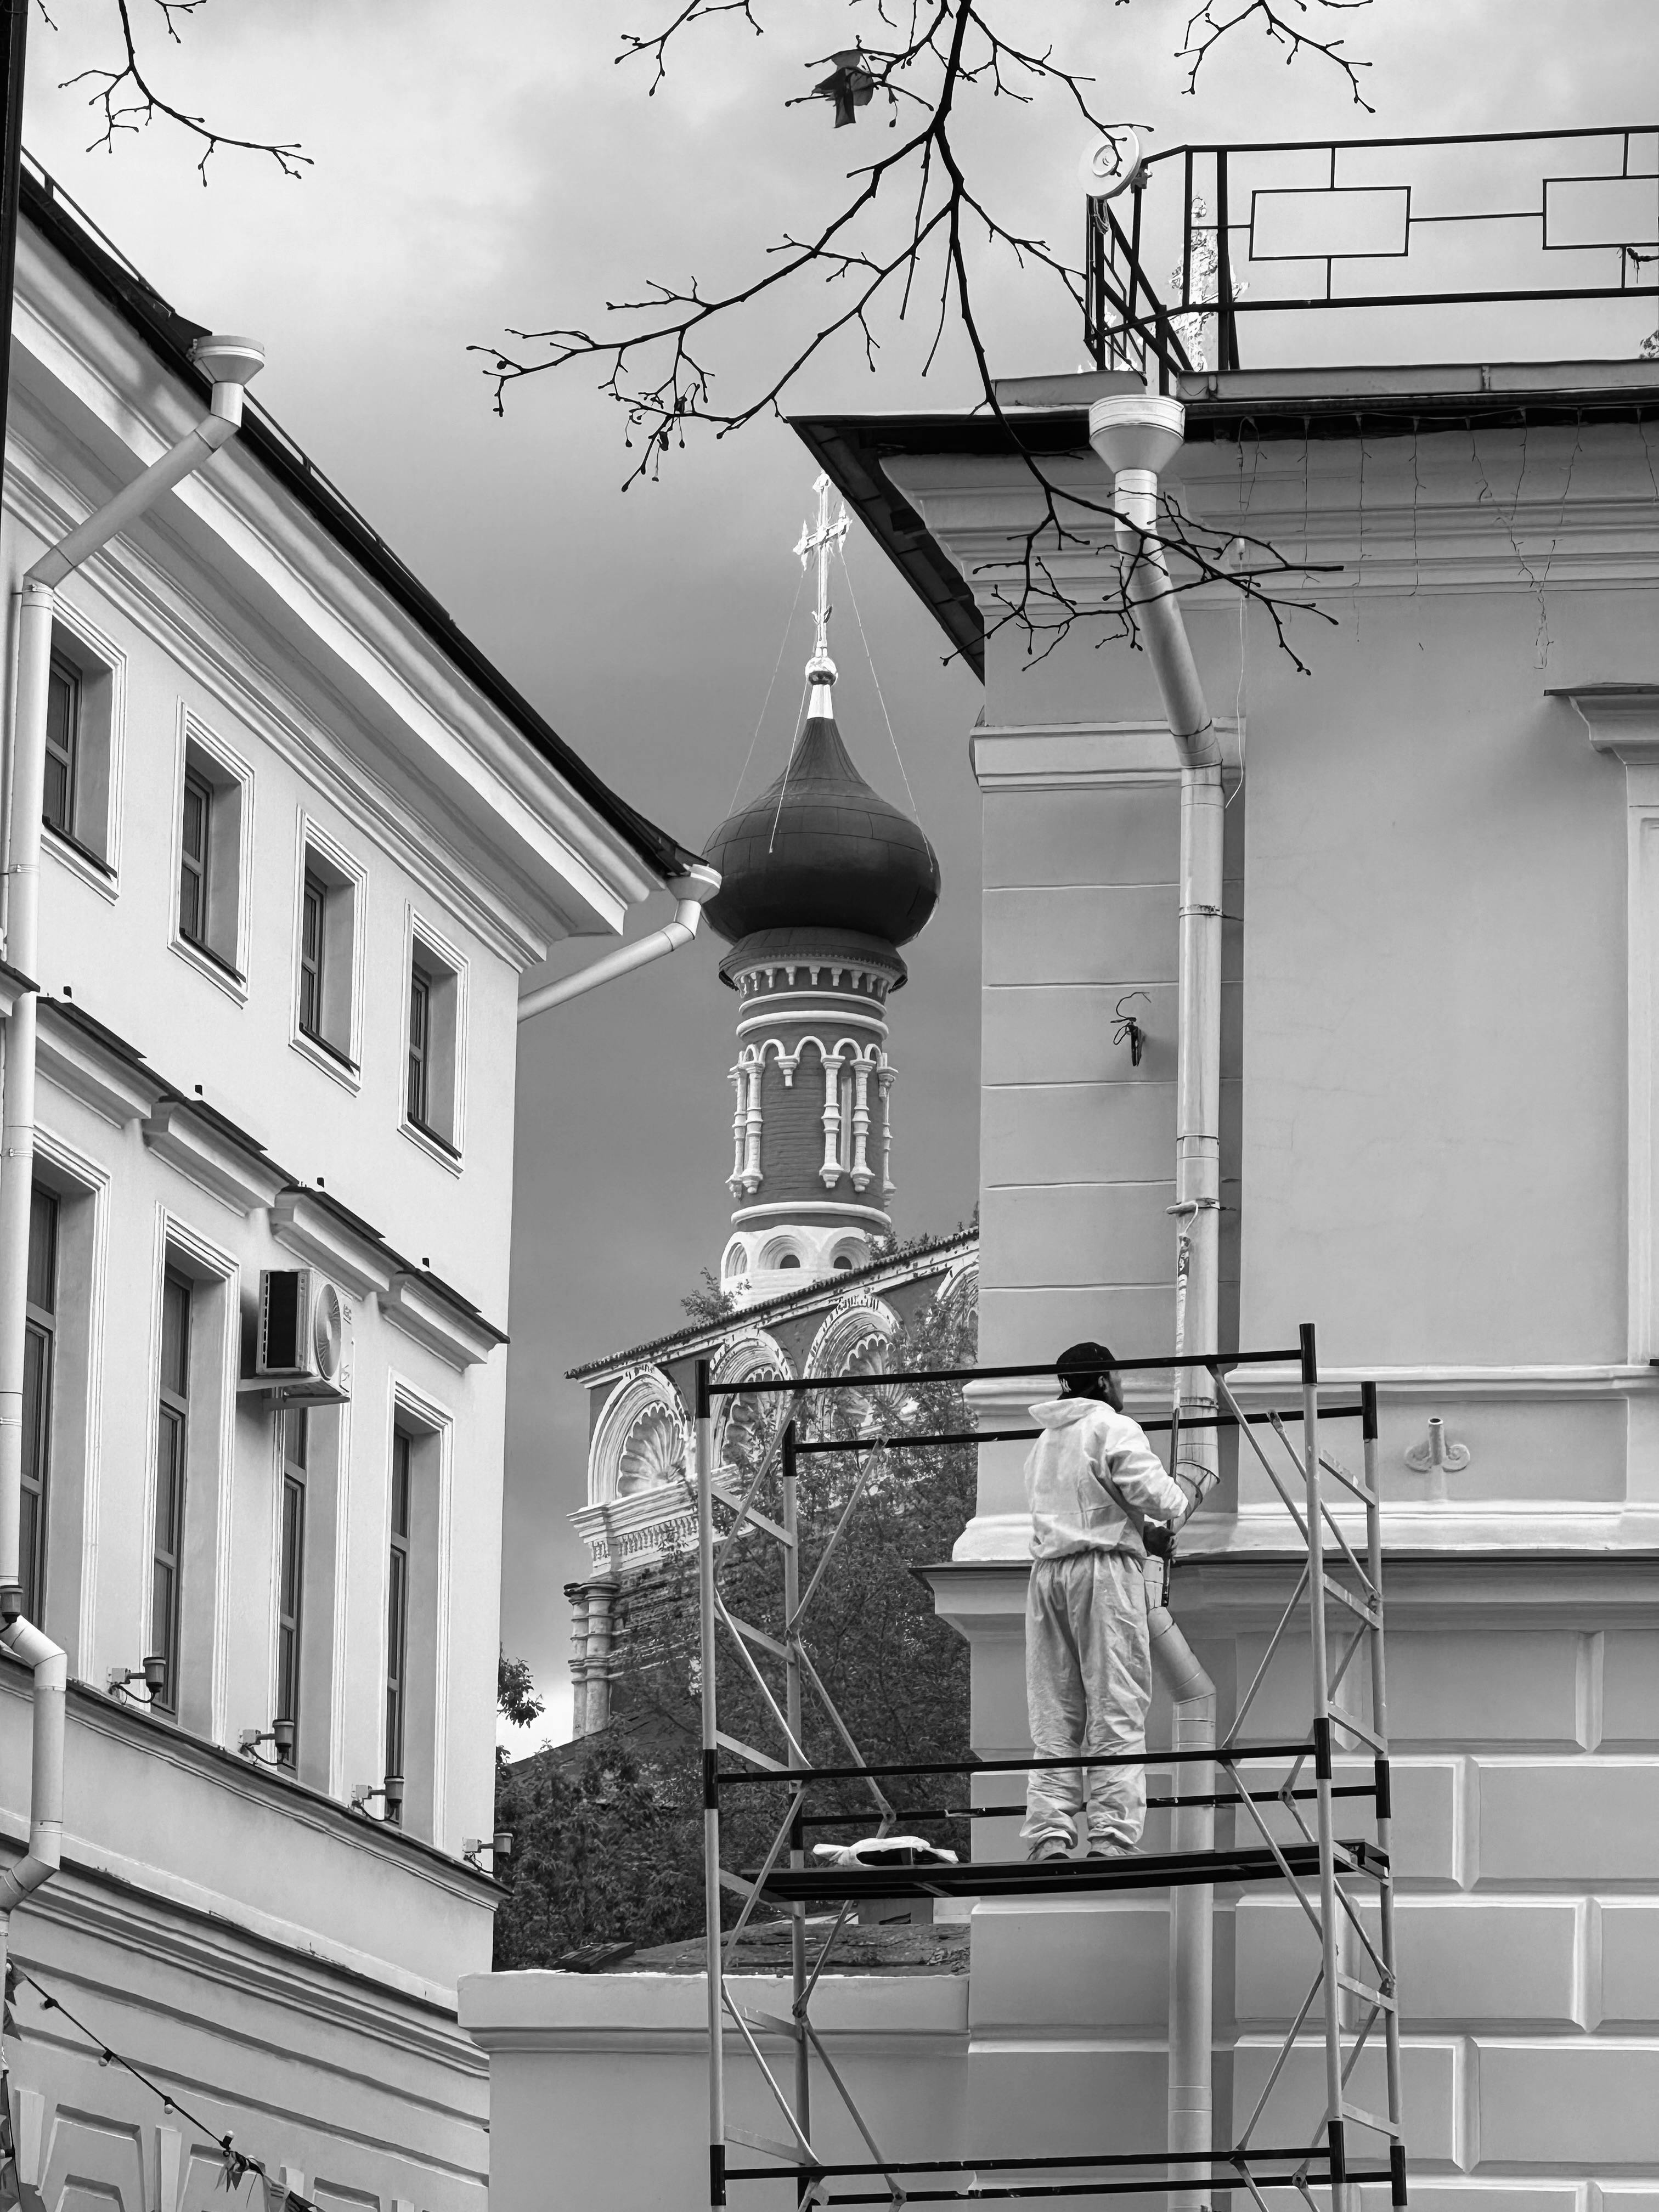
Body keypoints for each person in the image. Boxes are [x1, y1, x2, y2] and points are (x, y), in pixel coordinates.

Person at [1020, 1340, 1198, 1863]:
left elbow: (1082, 1508)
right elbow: (1163, 1498)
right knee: (1116, 1705)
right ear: (1102, 1381)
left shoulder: (1045, 1442)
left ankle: (1049, 1835)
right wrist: (1171, 1511)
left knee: (1054, 1711)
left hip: (1047, 1576)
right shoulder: (1112, 1426)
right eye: (1117, 1378)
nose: (1122, 1387)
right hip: (1103, 1577)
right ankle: (1112, 1838)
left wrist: (1140, 1534)